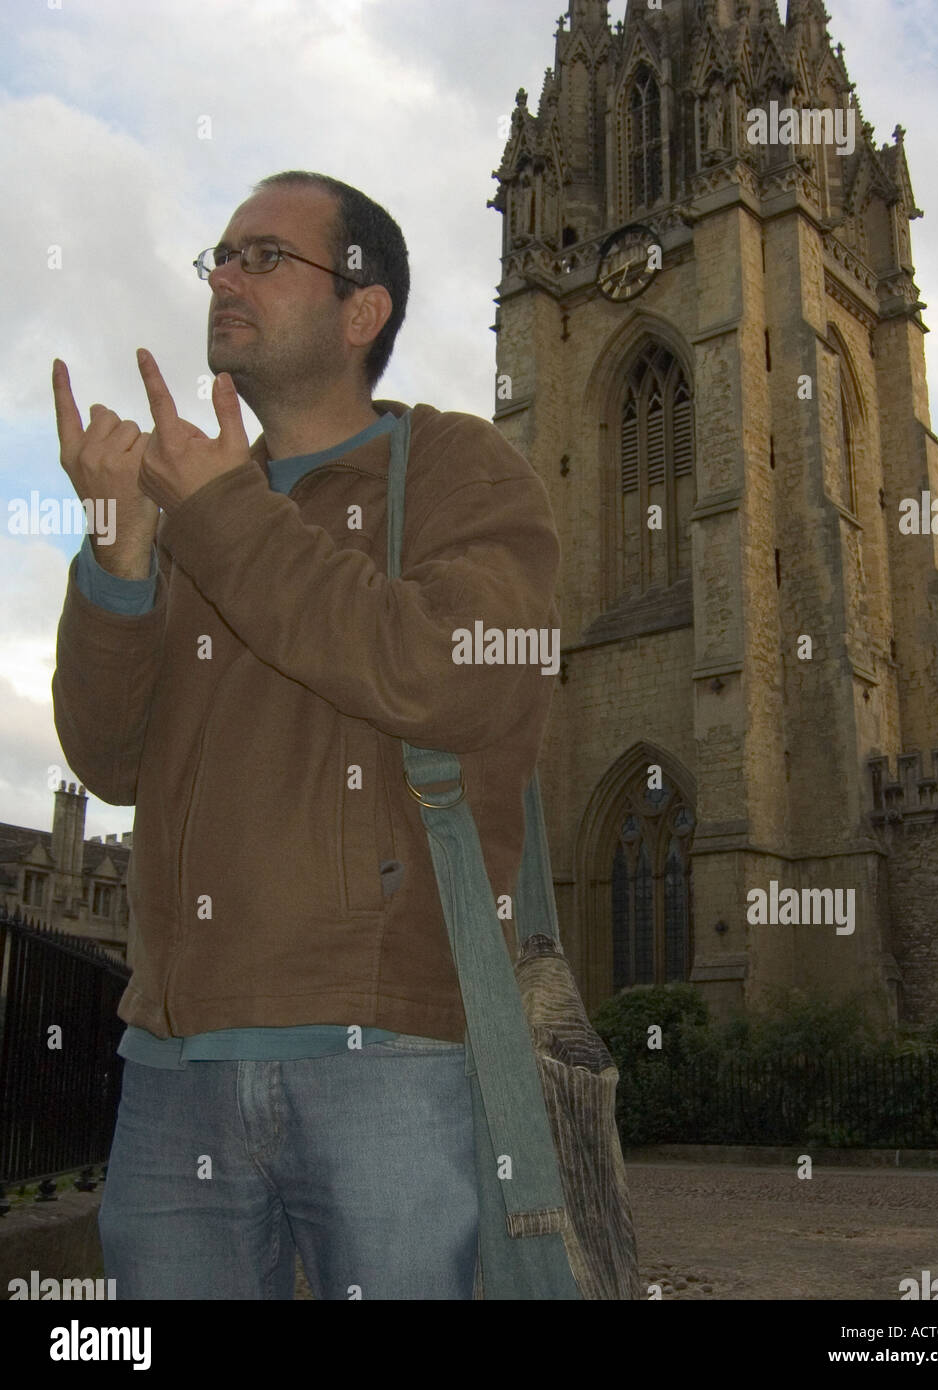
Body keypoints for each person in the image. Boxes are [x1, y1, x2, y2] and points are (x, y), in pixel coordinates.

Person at [50, 170, 561, 1300]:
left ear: (360, 309)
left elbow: (450, 674)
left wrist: (222, 513)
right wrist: (120, 560)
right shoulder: (188, 510)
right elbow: (107, 760)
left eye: (262, 256)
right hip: (170, 1057)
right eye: (219, 256)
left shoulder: (455, 466)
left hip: (383, 1055)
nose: (224, 274)